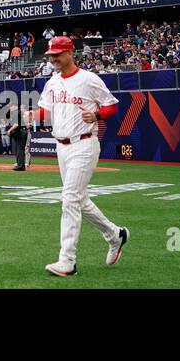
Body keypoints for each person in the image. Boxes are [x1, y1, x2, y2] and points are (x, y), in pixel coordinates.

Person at [36, 36, 127, 276]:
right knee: (79, 200)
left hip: (84, 144)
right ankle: (115, 234)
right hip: (61, 147)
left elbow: (111, 106)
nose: (53, 58)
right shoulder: (52, 82)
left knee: (69, 199)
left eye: (57, 54)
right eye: (51, 55)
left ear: (69, 53)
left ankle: (67, 261)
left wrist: (97, 116)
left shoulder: (88, 79)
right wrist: (28, 115)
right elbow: (45, 111)